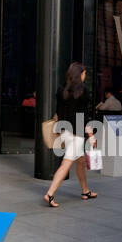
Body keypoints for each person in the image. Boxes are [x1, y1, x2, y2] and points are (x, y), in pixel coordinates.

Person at [43, 61, 98, 207]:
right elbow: (85, 117)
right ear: (80, 74)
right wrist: (91, 136)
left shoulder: (62, 90)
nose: (85, 75)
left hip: (65, 132)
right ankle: (50, 194)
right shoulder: (83, 92)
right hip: (77, 136)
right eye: (85, 72)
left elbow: (58, 112)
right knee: (66, 164)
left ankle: (85, 190)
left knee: (80, 161)